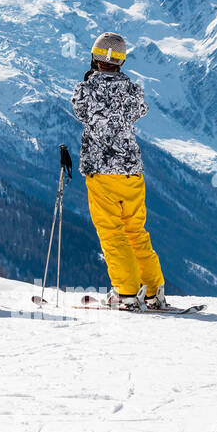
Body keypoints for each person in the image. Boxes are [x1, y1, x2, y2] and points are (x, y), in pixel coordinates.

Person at [70, 32, 168, 311]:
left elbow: (80, 112)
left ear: (95, 58)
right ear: (121, 61)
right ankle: (153, 291)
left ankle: (126, 293)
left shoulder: (85, 89)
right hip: (131, 171)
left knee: (112, 233)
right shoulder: (134, 90)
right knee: (136, 230)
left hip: (101, 172)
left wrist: (92, 81)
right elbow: (139, 111)